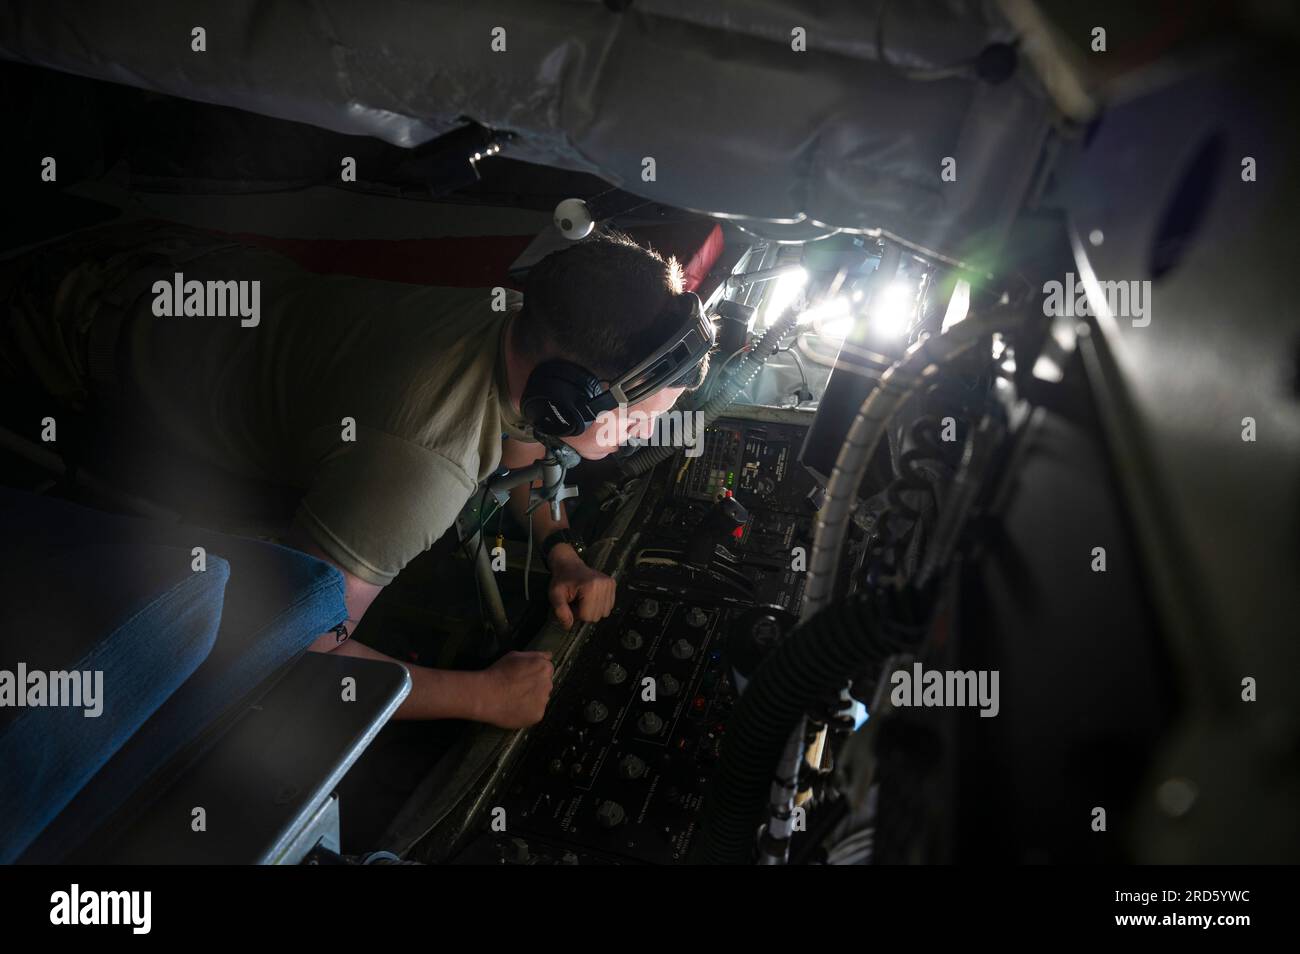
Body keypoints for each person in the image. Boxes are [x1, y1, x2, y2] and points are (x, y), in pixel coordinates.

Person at [0, 221, 712, 728]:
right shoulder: (419, 468)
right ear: (566, 396)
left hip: (174, 258)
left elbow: (520, 443)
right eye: (638, 419)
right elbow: (291, 648)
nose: (645, 434)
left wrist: (560, 551)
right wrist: (483, 697)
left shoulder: (511, 326)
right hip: (75, 324)